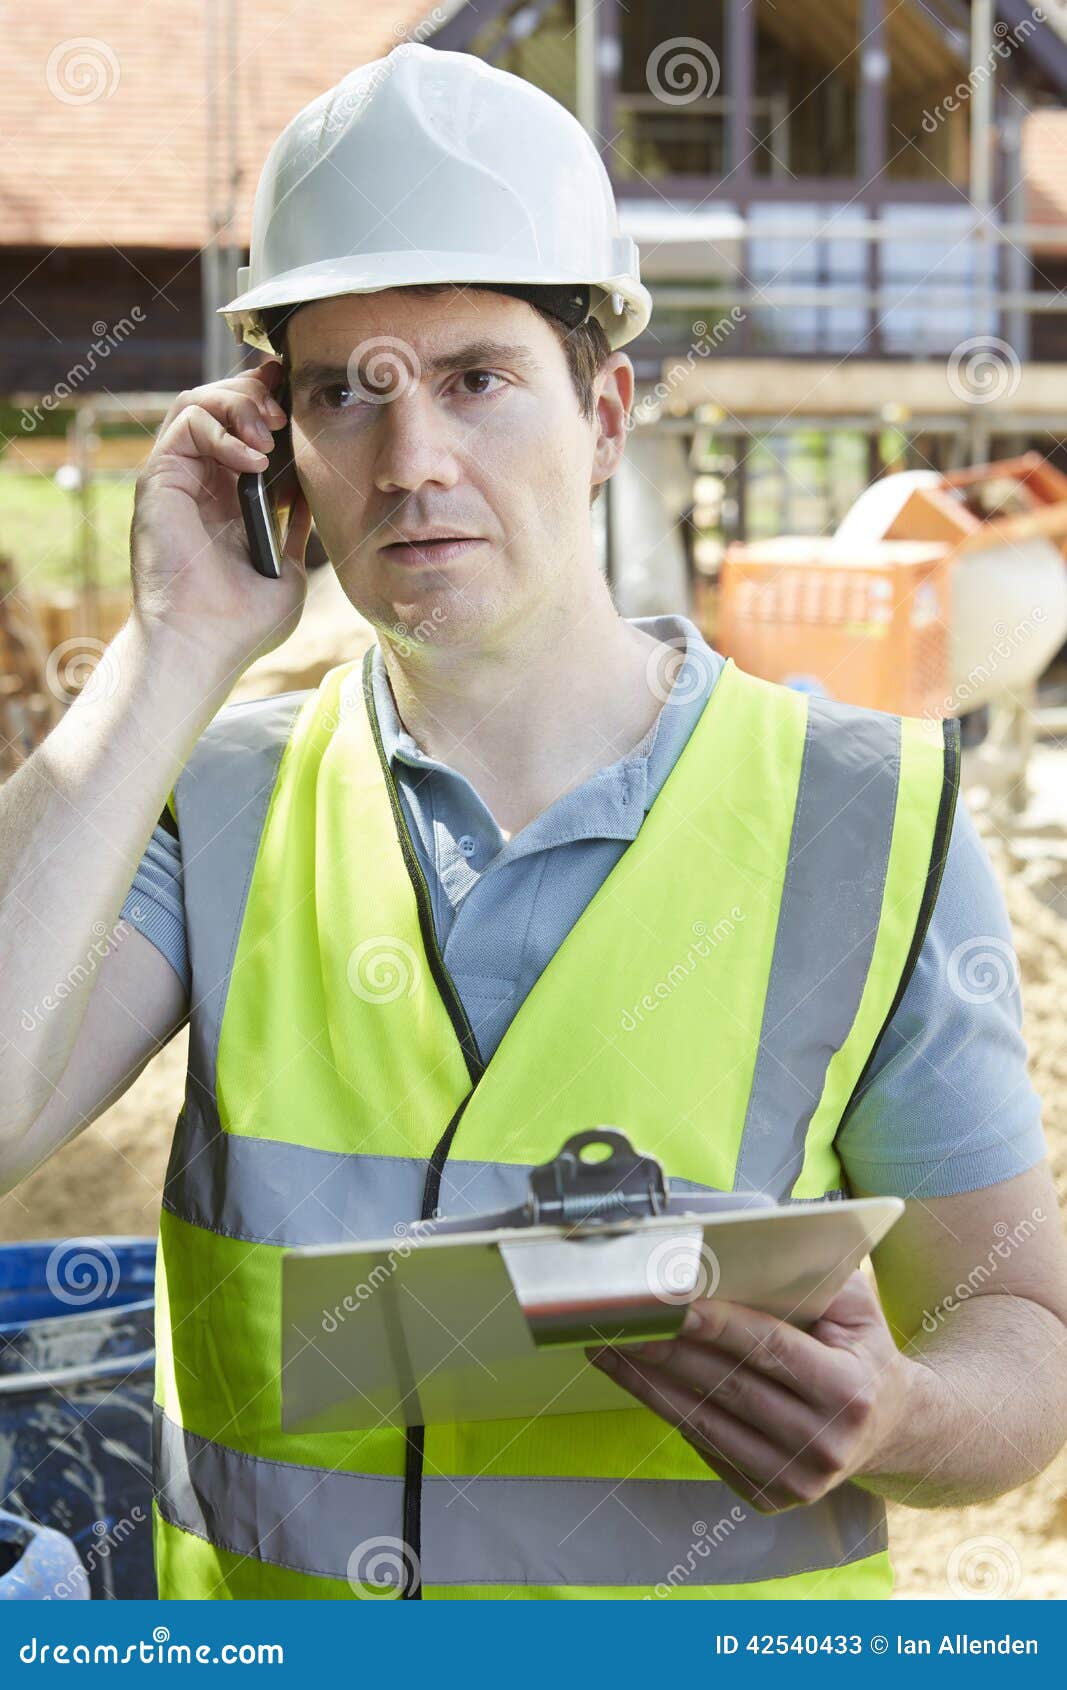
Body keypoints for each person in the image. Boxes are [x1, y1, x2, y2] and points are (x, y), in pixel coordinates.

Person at [1, 44, 1065, 1603]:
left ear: (606, 413)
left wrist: (902, 1413)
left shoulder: (863, 818)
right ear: (277, 448)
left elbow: (1023, 1336)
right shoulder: (214, 797)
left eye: (475, 380)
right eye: (342, 393)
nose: (411, 462)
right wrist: (168, 652)